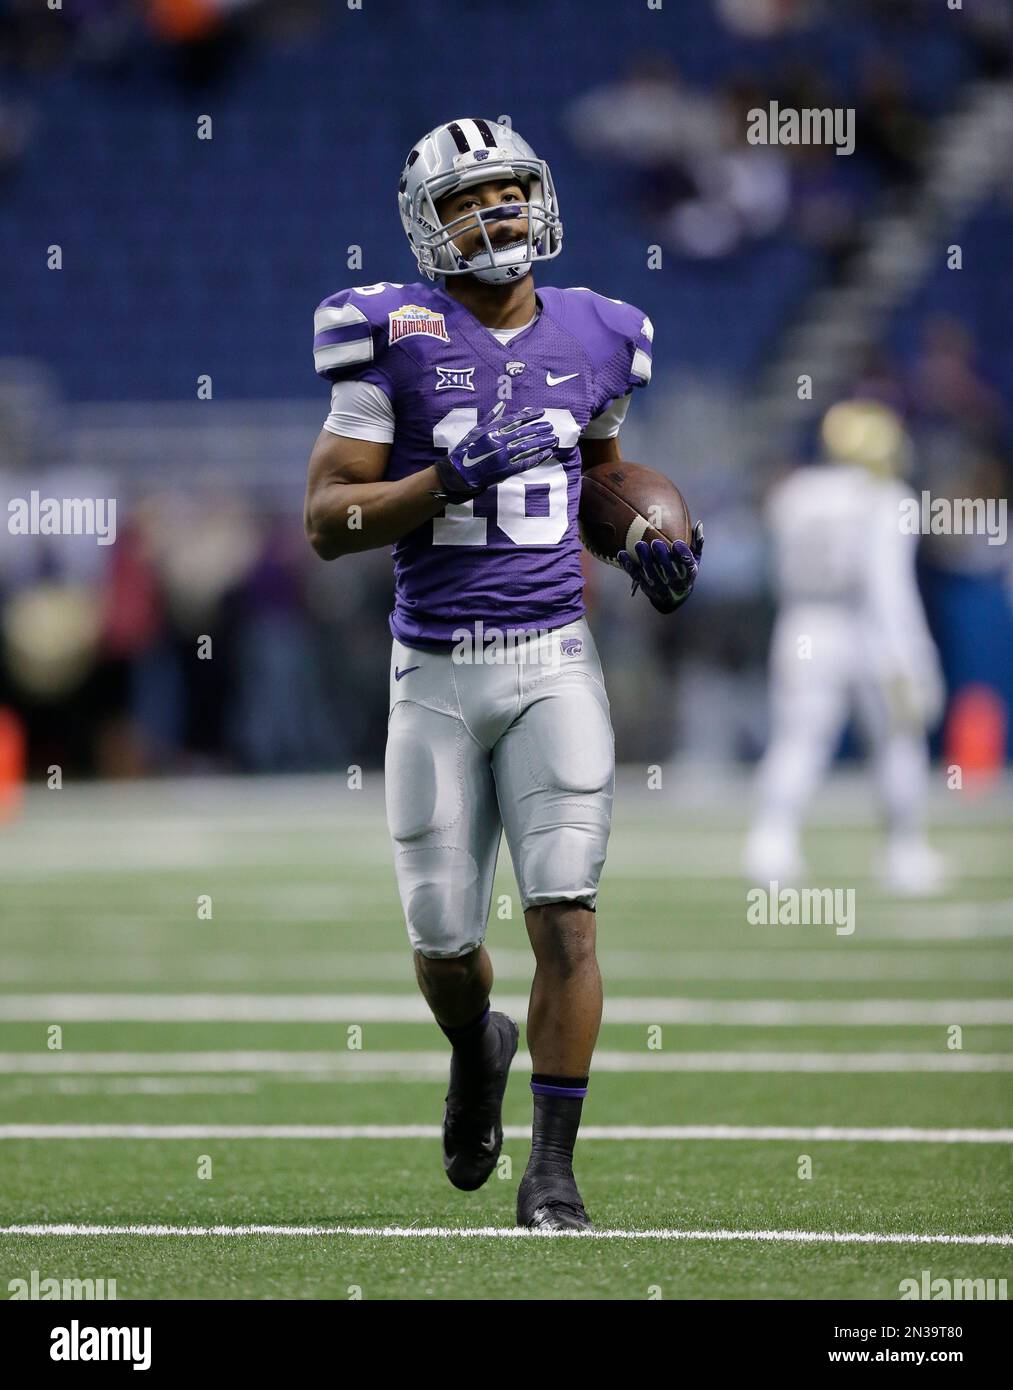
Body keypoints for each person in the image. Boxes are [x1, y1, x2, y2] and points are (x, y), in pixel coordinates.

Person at [304, 118, 702, 1230]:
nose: (495, 213)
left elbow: (601, 481)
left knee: (567, 918)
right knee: (442, 943)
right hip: (432, 670)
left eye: (510, 190)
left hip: (550, 659)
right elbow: (327, 520)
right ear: (424, 223)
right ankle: (477, 1043)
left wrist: (645, 548)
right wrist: (444, 477)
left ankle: (553, 1169)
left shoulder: (604, 332)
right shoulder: (384, 330)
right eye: (466, 200)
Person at [745, 400, 946, 895]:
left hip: (804, 623)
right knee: (898, 739)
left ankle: (771, 843)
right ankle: (904, 852)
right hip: (868, 627)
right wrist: (915, 655)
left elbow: (777, 571)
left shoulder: (794, 492)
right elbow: (888, 586)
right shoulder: (886, 496)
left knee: (798, 740)